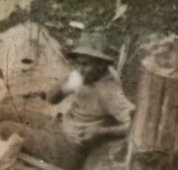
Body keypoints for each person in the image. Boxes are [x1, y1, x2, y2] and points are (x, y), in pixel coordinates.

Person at [49, 32, 134, 160]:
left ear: (100, 65)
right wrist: (65, 86)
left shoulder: (108, 91)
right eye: (78, 63)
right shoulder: (86, 75)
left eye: (85, 64)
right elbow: (51, 99)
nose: (79, 69)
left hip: (68, 149)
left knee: (8, 126)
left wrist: (100, 131)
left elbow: (135, 125)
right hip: (58, 129)